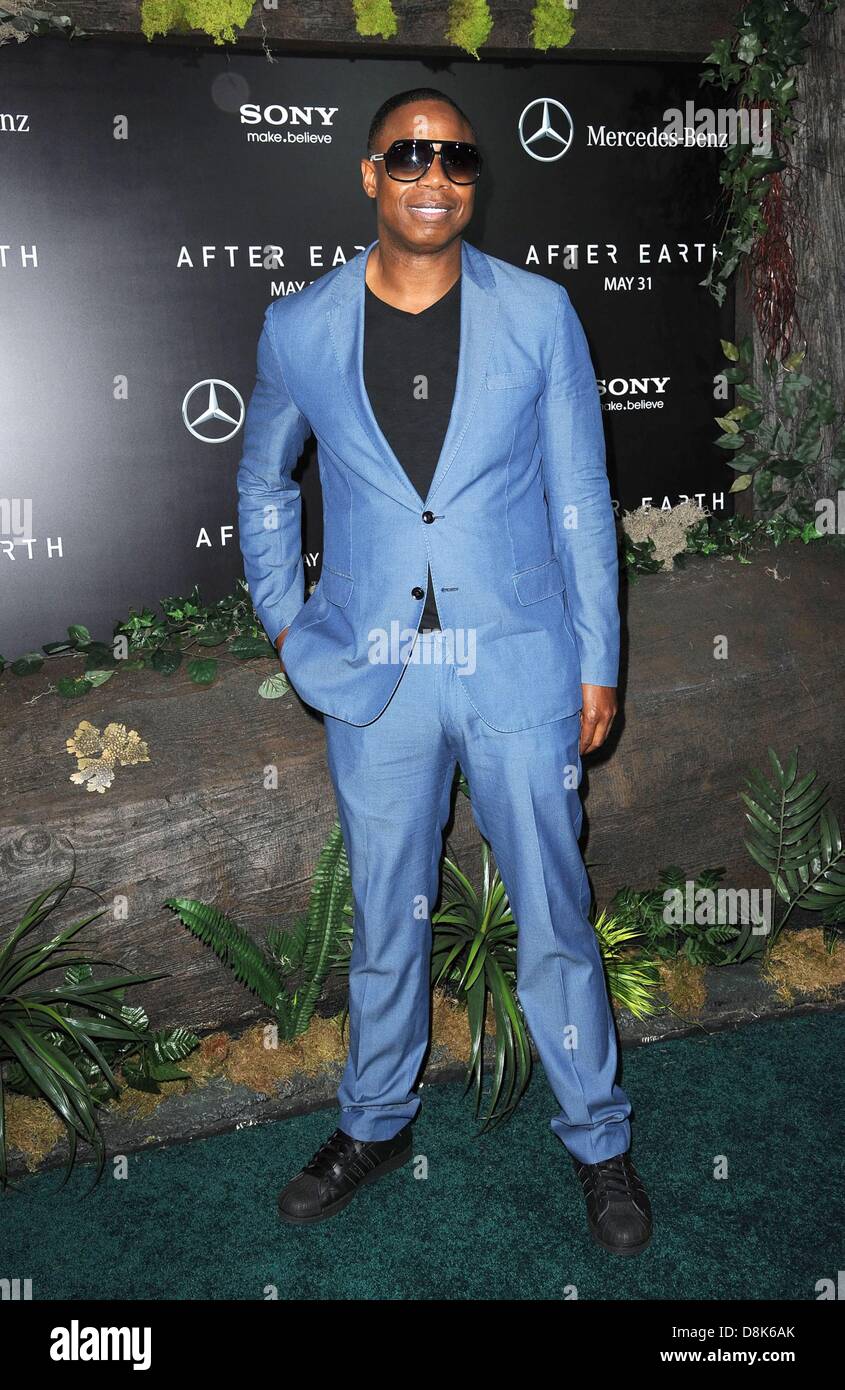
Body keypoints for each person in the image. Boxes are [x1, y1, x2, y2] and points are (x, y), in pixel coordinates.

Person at [236, 87, 652, 1257]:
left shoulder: (538, 313)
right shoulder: (299, 328)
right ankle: (371, 1120)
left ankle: (598, 1139)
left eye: (456, 157)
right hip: (375, 674)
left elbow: (580, 495)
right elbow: (263, 482)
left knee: (555, 913)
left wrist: (597, 658)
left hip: (520, 663)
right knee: (386, 914)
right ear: (369, 174)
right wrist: (283, 621)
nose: (435, 174)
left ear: (473, 179)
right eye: (409, 155)